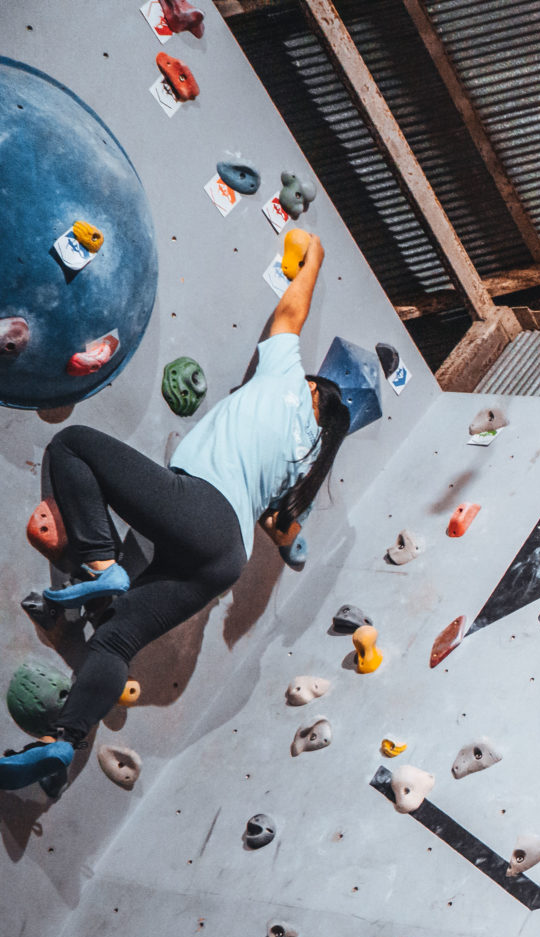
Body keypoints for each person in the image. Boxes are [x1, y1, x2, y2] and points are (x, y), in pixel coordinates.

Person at [3, 234, 383, 792]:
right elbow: (278, 527)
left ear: (313, 391)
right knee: (115, 640)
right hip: (224, 558)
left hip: (203, 509)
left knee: (73, 446)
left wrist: (315, 259)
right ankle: (61, 740)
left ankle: (102, 563)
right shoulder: (306, 462)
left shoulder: (286, 382)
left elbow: (290, 314)